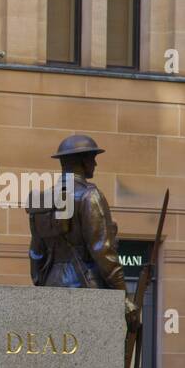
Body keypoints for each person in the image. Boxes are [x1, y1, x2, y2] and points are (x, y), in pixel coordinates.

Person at [27, 134, 140, 330]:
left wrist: (41, 284)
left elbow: (36, 253)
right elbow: (103, 251)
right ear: (82, 161)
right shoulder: (90, 196)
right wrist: (123, 296)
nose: (95, 164)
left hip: (51, 287)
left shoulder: (42, 200)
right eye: (92, 158)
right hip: (87, 287)